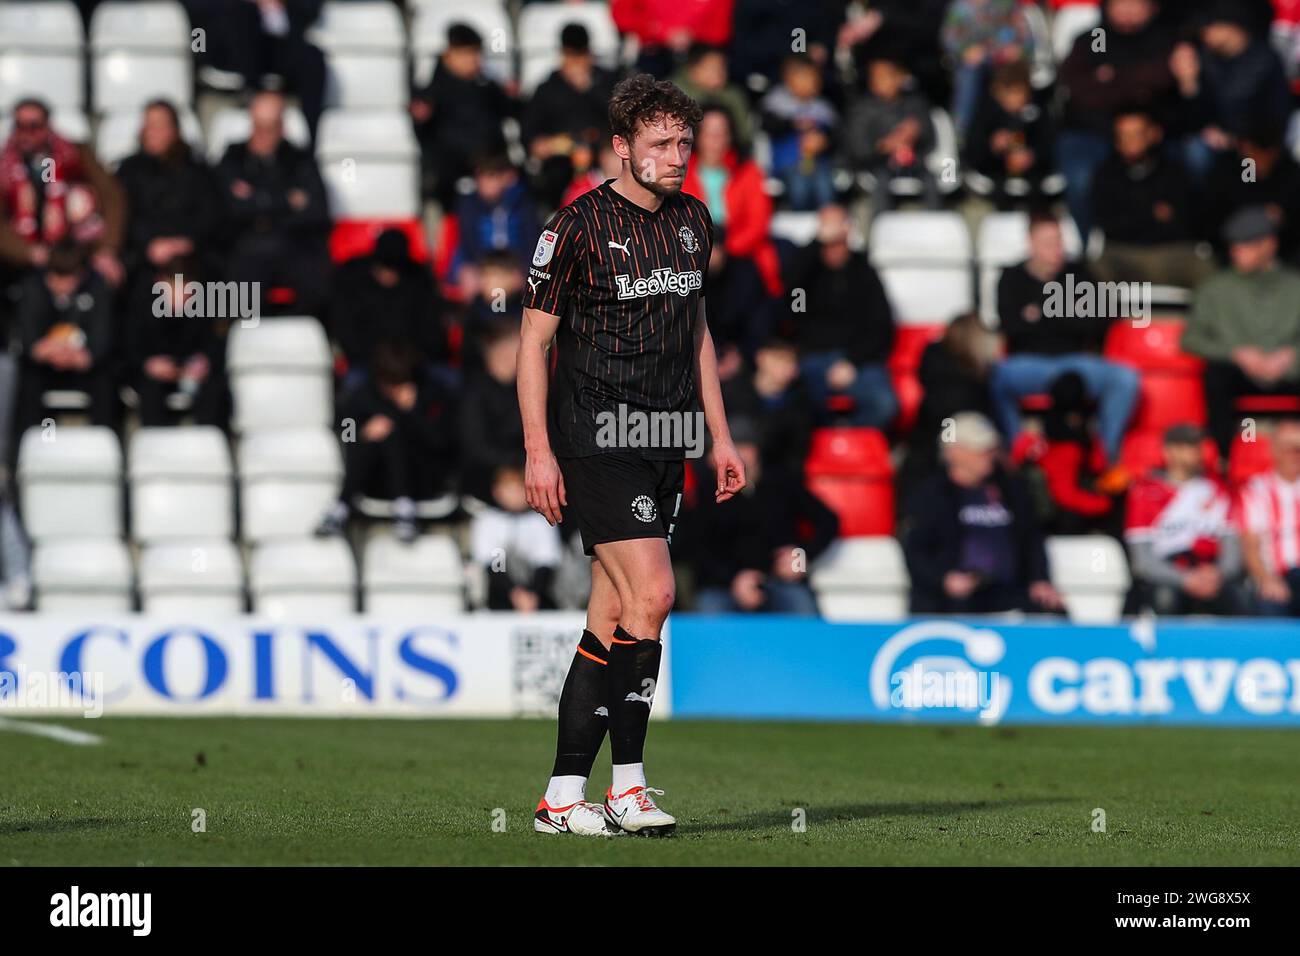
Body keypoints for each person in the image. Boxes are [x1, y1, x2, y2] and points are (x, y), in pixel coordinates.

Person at [519, 75, 744, 837]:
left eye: (685, 141)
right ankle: (629, 788)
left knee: (612, 614)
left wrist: (720, 435)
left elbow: (698, 334)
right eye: (661, 143)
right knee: (654, 594)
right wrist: (538, 453)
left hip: (666, 441)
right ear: (622, 147)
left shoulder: (693, 221)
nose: (678, 156)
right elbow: (532, 345)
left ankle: (559, 798)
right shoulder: (576, 227)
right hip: (596, 437)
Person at [989, 211, 1139, 475]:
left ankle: (1105, 456)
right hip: (1029, 364)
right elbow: (1010, 325)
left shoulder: (1078, 272)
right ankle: (1017, 450)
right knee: (994, 377)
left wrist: (1040, 314)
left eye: (1058, 241)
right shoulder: (1011, 276)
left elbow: (1104, 315)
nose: (1056, 249)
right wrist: (1066, 312)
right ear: (1031, 244)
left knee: (1125, 379)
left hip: (1077, 362)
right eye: (1048, 242)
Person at [904, 411, 1065, 614]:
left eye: (992, 449)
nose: (990, 455)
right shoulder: (932, 494)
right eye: (981, 449)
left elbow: (1032, 539)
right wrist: (945, 580)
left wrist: (1039, 579)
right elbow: (916, 551)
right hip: (955, 598)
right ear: (955, 452)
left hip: (1009, 592)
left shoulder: (1011, 488)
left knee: (1051, 609)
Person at [1181, 206, 1300, 457]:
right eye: (1234, 245)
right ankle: (1221, 461)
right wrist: (1236, 353)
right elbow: (1190, 339)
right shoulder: (1215, 288)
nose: (1236, 251)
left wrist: (1292, 356)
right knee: (1215, 375)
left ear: (1268, 244)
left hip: (1290, 372)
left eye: (1245, 244)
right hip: (1238, 374)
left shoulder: (1294, 285)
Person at [315, 339, 458, 544]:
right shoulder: (363, 395)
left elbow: (442, 442)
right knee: (381, 434)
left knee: (393, 433)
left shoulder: (433, 395)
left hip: (423, 479)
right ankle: (342, 507)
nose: (395, 390)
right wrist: (364, 432)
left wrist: (411, 412)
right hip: (374, 479)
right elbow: (345, 433)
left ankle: (395, 506)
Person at [1056, 0, 1177, 239]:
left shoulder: (1165, 40)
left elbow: (1166, 80)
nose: (1128, 10)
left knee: (1192, 166)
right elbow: (1078, 89)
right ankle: (1087, 244)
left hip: (1155, 137)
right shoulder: (1093, 39)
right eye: (1121, 3)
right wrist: (1138, 83)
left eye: (1136, 4)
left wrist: (1112, 79)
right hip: (1092, 133)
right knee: (1080, 179)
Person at [689, 422, 837, 615]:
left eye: (739, 448)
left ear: (754, 450)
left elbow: (828, 521)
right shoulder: (707, 490)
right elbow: (696, 546)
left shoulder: (782, 483)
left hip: (780, 582)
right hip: (723, 587)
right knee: (708, 614)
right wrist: (734, 579)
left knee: (802, 610)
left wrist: (801, 556)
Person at [780, 204, 898, 429]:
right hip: (812, 357)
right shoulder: (808, 269)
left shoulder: (864, 271)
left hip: (858, 360)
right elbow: (789, 288)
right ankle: (822, 445)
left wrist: (852, 362)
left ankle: (846, 438)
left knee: (885, 404)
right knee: (799, 404)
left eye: (838, 239)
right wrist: (817, 242)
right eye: (827, 241)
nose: (833, 248)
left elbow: (881, 326)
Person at [214, 91, 331, 318]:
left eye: (270, 128)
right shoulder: (232, 159)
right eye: (258, 127)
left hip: (294, 247)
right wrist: (286, 200)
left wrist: (256, 201)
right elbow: (227, 210)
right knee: (228, 297)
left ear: (282, 128)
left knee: (322, 291)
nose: (263, 135)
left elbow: (317, 213)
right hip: (245, 250)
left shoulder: (301, 161)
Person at [680, 104, 783, 358]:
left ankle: (738, 352)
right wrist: (707, 250)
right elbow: (677, 217)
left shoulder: (748, 171)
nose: (717, 141)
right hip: (695, 248)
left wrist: (726, 248)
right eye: (710, 133)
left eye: (722, 133)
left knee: (745, 284)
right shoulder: (680, 170)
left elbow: (758, 223)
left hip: (740, 250)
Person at [0, 98, 126, 286]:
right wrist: (27, 252)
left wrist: (106, 249)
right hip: (23, 258)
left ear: (47, 126)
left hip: (79, 251)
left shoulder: (76, 155)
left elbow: (112, 196)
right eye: (20, 125)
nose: (26, 133)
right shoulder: (5, 166)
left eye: (34, 126)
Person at [1125, 423, 1245, 614]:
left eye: (1196, 445)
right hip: (1168, 574)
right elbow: (1142, 560)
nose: (1195, 452)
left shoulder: (1218, 489)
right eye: (1186, 446)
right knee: (1166, 598)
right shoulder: (1145, 493)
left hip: (1211, 572)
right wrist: (1185, 579)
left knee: (1241, 598)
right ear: (1168, 452)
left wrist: (1217, 573)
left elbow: (1232, 547)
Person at [1090, 108, 1214, 288]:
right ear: (1116, 141)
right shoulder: (1105, 175)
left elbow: (1186, 224)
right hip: (1124, 255)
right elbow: (1110, 227)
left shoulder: (1175, 172)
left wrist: (1133, 216)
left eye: (1138, 134)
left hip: (1172, 254)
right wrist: (1152, 214)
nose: (1131, 141)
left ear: (1154, 134)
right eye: (1125, 135)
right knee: (1092, 273)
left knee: (1207, 270)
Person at [115, 100, 222, 299]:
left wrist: (185, 242)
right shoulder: (129, 171)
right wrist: (150, 245)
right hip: (143, 259)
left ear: (174, 130)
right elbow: (124, 217)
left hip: (192, 257)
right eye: (147, 125)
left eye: (158, 125)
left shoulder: (198, 171)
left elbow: (211, 215)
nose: (150, 132)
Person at [182, 0, 327, 141]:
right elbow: (195, 9)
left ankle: (311, 144)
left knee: (312, 57)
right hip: (224, 43)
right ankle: (255, 98)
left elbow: (311, 8)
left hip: (274, 39)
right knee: (245, 13)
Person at [15, 240, 115, 431]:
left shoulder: (98, 287)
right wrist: (49, 352)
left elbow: (102, 339)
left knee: (105, 382)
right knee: (28, 382)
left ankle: (103, 448)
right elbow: (29, 341)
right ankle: (31, 449)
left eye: (67, 279)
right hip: (45, 367)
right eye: (55, 278)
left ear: (81, 275)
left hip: (84, 367)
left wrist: (79, 356)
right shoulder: (32, 287)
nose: (60, 285)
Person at [331, 228, 447, 393]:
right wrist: (381, 363)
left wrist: (407, 362)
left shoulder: (420, 281)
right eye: (385, 269)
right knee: (352, 390)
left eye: (396, 270)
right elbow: (346, 332)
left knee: (450, 383)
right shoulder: (351, 280)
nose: (390, 275)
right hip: (367, 365)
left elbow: (432, 332)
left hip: (413, 364)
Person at [410, 23, 514, 206]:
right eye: (468, 53)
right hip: (452, 172)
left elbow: (510, 112)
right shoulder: (433, 91)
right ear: (450, 54)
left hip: (491, 164)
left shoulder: (487, 86)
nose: (475, 60)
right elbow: (427, 138)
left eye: (476, 53)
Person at [521, 23, 617, 208]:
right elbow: (529, 131)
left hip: (601, 155)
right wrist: (542, 145)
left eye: (581, 55)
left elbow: (617, 113)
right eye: (572, 56)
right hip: (562, 163)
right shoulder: (547, 88)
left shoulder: (607, 80)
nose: (577, 62)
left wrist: (589, 88)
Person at [123, 257, 226, 426]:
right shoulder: (141, 304)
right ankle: (154, 443)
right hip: (152, 373)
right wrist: (148, 364)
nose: (180, 297)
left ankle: (208, 442)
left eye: (186, 290)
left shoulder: (207, 304)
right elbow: (130, 347)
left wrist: (205, 362)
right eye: (173, 289)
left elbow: (215, 343)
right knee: (150, 391)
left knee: (214, 390)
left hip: (193, 373)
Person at [844, 57, 938, 213]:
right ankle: (881, 226)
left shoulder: (916, 104)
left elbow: (930, 139)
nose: (883, 81)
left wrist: (916, 134)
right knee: (881, 182)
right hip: (879, 164)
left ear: (901, 78)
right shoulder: (862, 108)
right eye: (877, 77)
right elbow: (858, 148)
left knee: (931, 181)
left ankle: (936, 224)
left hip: (914, 161)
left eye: (889, 75)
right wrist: (885, 145)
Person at [963, 59, 1057, 205]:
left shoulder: (1038, 112)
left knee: (1037, 190)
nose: (1014, 99)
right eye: (1009, 93)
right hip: (996, 172)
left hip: (1033, 174)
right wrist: (993, 146)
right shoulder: (986, 114)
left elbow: (1049, 143)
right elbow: (972, 151)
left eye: (1018, 92)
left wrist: (1032, 156)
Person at [471, 464, 562, 612]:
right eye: (509, 489)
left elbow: (545, 563)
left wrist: (532, 594)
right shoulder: (488, 521)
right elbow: (493, 562)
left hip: (537, 596)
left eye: (519, 489)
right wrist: (514, 593)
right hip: (499, 597)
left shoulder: (541, 520)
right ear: (497, 492)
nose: (515, 494)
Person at [940, 0, 1034, 136]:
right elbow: (948, 38)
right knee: (968, 77)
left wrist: (1017, 50)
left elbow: (1027, 38)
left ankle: (1017, 132)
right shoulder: (960, 7)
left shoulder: (1006, 4)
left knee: (1014, 81)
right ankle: (962, 134)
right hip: (973, 65)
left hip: (1003, 61)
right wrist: (965, 51)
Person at [758, 54, 838, 211]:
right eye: (804, 78)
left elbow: (836, 134)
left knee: (826, 186)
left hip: (818, 165)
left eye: (814, 78)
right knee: (799, 187)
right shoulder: (776, 103)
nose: (811, 83)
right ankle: (800, 223)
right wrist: (794, 124)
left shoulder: (822, 108)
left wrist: (824, 141)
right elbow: (767, 126)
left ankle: (828, 222)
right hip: (787, 165)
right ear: (788, 79)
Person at [1239, 418, 1300, 615]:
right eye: (1287, 449)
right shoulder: (1256, 491)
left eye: (1298, 449)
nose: (1294, 456)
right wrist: (1266, 579)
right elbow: (1251, 546)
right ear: (1274, 451)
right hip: (1275, 576)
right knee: (1270, 606)